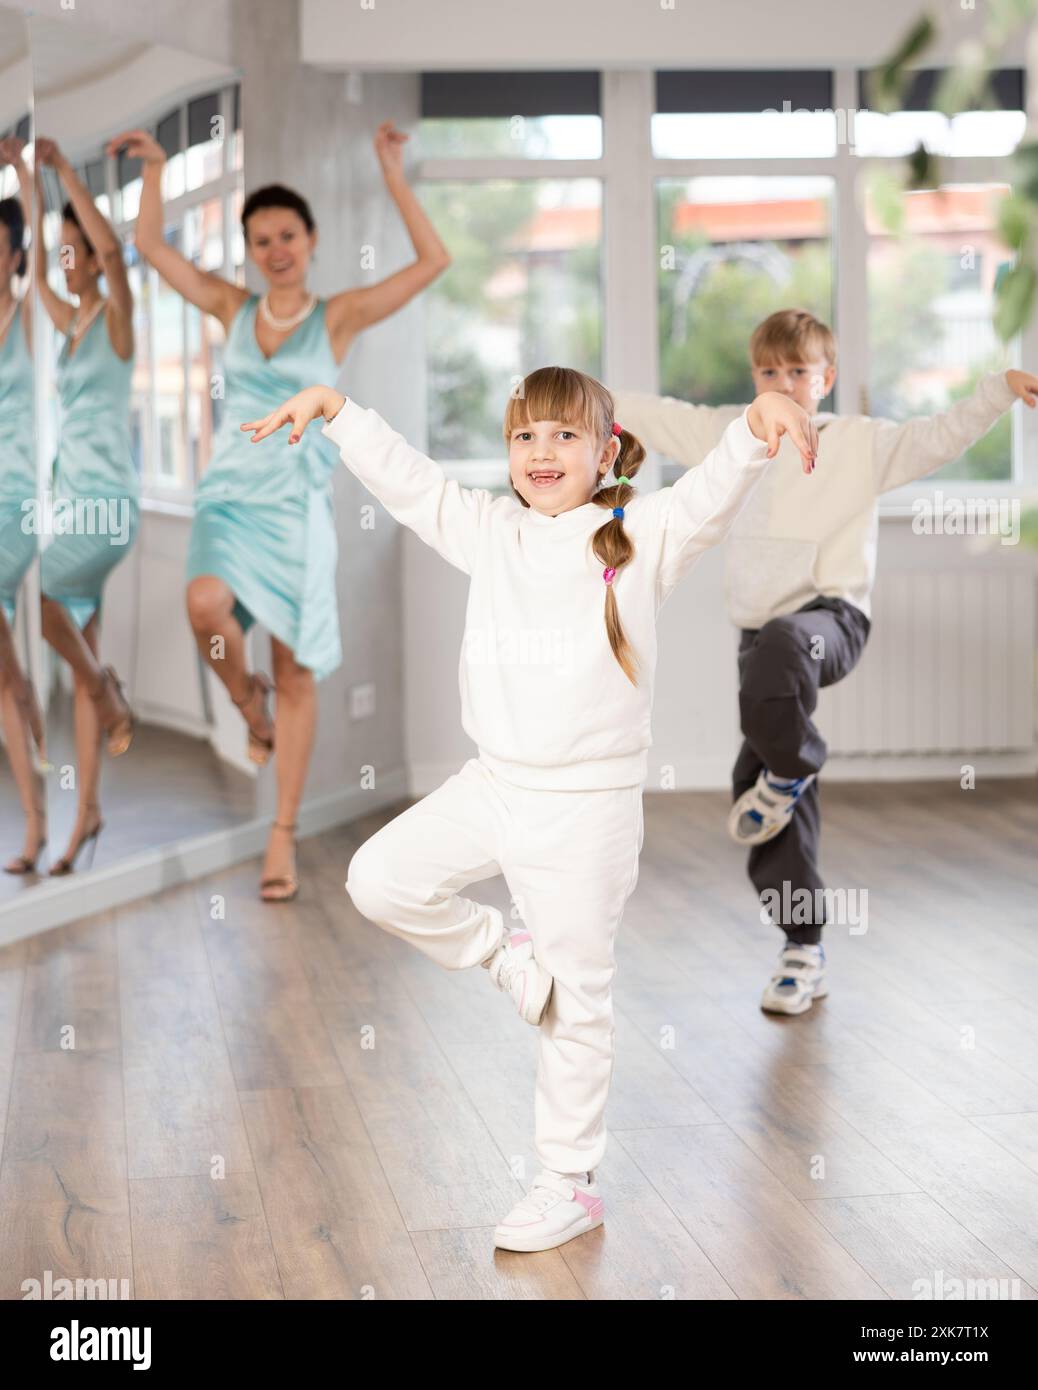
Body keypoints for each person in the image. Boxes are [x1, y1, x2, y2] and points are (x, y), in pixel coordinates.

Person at [240, 365, 816, 1252]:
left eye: (563, 435)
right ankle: (505, 958)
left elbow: (712, 491)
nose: (541, 452)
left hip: (587, 811)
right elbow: (412, 483)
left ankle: (567, 1182)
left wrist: (758, 424)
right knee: (377, 877)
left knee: (577, 1001)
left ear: (607, 450)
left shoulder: (644, 531)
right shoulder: (491, 530)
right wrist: (336, 411)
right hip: (494, 784)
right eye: (523, 436)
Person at [611, 308, 1038, 1014]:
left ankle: (792, 766)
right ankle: (801, 947)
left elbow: (939, 437)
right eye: (769, 372)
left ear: (826, 378)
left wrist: (997, 389)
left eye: (798, 372)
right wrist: (570, 394)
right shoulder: (733, 432)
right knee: (764, 801)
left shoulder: (861, 444)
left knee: (783, 649)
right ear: (754, 378)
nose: (782, 383)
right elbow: (652, 414)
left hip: (831, 621)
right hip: (760, 641)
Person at [111, 120, 450, 901]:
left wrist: (392, 173)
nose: (275, 249)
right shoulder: (231, 307)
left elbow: (436, 261)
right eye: (260, 239)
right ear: (249, 249)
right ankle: (246, 705)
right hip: (229, 498)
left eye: (287, 235)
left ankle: (281, 838)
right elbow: (154, 248)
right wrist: (159, 170)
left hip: (297, 511)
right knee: (204, 606)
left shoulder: (338, 315)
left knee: (296, 671)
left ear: (311, 238)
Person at [35, 138, 138, 877]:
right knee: (76, 663)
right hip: (68, 503)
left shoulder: (116, 320)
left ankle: (108, 691)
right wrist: (20, 175)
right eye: (64, 253)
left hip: (106, 506)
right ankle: (87, 816)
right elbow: (35, 273)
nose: (71, 263)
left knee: (29, 589)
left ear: (98, 259)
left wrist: (64, 172)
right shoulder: (67, 325)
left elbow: (111, 249)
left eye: (80, 252)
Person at [0, 139, 48, 875]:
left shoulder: (30, 314)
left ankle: (39, 818)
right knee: (5, 671)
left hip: (19, 503)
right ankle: (36, 818)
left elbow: (38, 229)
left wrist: (23, 173)